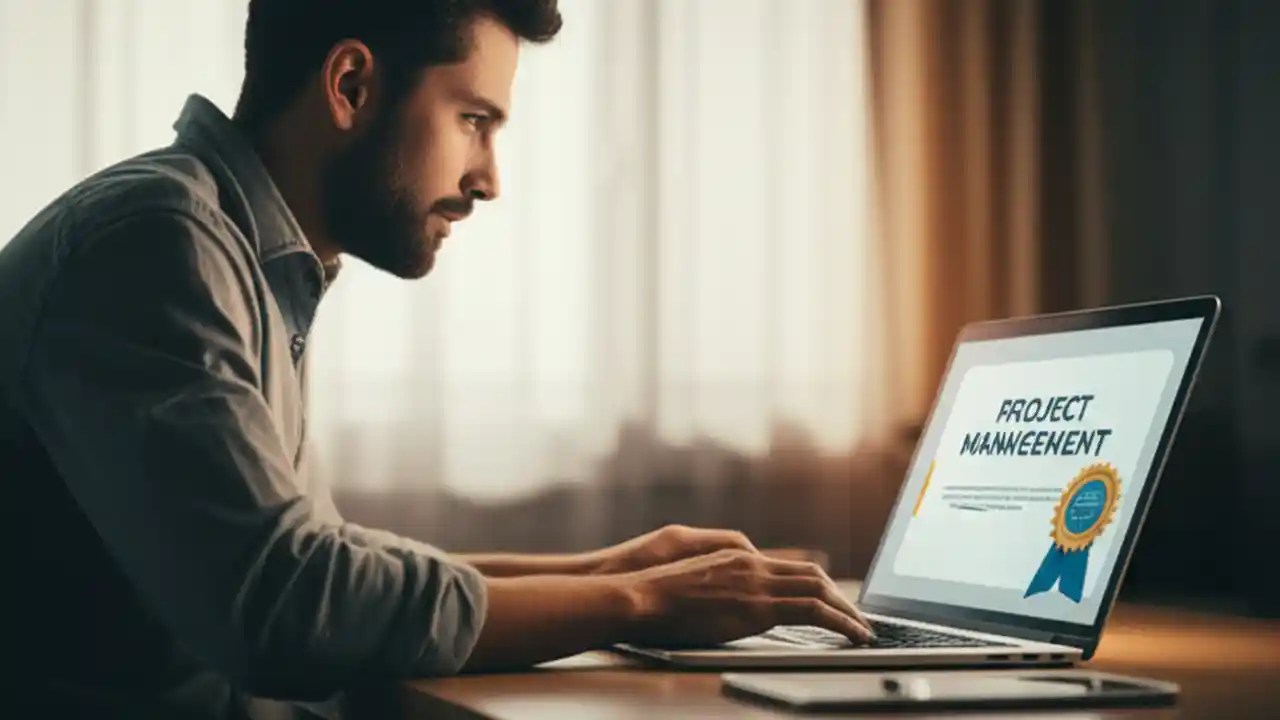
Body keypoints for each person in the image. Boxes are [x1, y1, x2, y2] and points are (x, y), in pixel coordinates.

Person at [0, 0, 872, 716]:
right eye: (473, 120)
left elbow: (313, 558)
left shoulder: (241, 253)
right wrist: (642, 603)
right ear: (350, 85)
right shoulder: (157, 245)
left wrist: (606, 569)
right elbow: (286, 607)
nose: (490, 177)